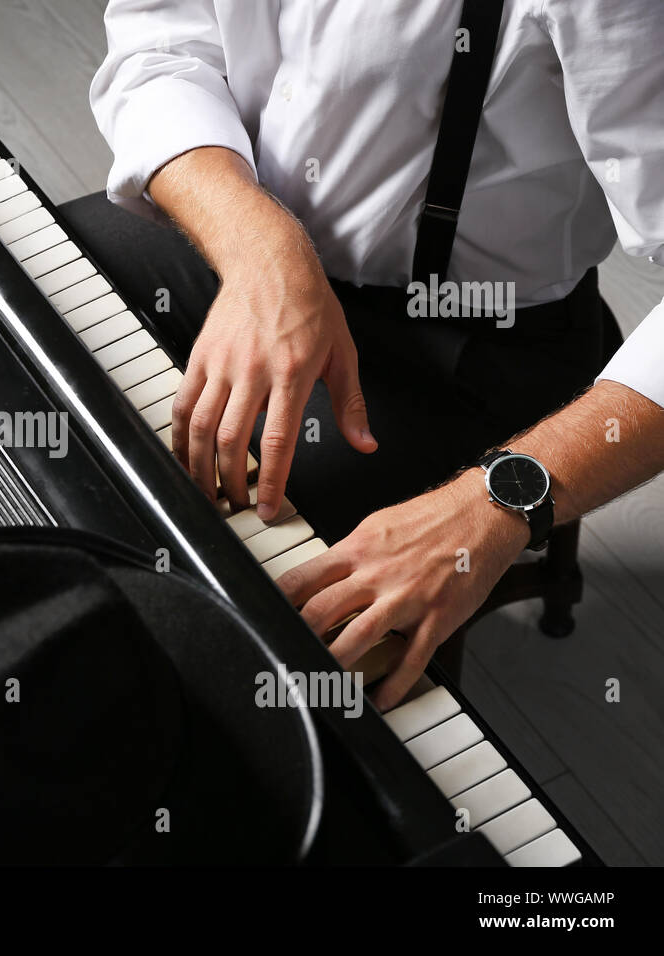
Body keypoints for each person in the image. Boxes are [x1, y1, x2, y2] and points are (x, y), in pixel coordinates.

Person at [76, 0, 664, 709]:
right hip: (232, 220)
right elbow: (160, 45)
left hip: (460, 342)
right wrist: (263, 249)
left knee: (243, 619)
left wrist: (496, 504)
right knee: (1, 332)